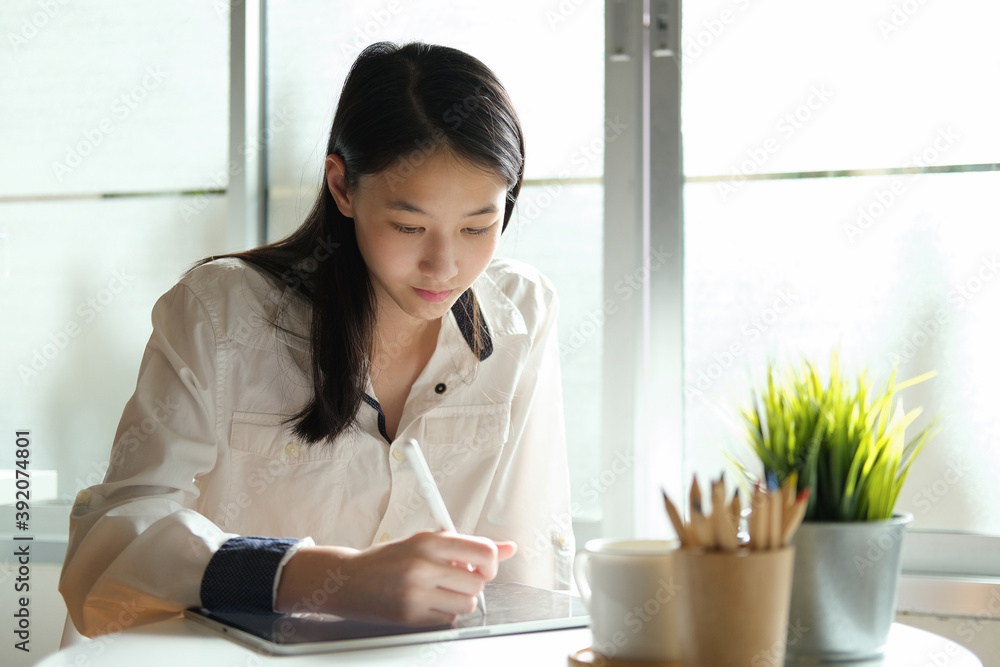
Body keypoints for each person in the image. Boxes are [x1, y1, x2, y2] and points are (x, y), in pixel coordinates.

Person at [59, 41, 575, 638]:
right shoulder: (222, 312)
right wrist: (311, 575)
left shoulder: (520, 315)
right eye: (410, 225)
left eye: (478, 226)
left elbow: (529, 557)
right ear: (343, 186)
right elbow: (109, 546)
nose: (445, 265)